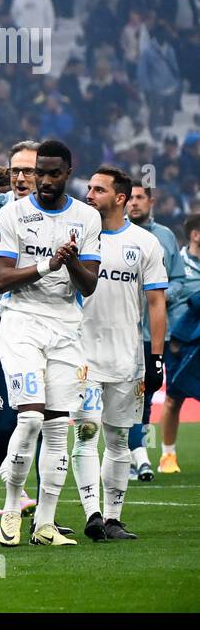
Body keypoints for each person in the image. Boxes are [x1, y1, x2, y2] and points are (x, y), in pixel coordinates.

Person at [0, 139, 101, 547]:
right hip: (22, 322)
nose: (44, 180)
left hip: (66, 328)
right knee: (31, 418)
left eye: (54, 173)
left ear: (68, 173)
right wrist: (46, 264)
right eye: (40, 172)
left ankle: (46, 526)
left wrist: (70, 260)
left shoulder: (87, 218)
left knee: (58, 430)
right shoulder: (12, 213)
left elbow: (88, 286)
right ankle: (15, 504)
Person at [74, 166, 168, 541]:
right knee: (86, 432)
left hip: (128, 358)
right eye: (89, 188)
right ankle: (92, 513)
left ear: (120, 198)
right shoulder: (77, 237)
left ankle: (112, 518)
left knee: (117, 440)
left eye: (98, 190)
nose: (89, 194)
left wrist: (157, 357)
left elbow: (157, 303)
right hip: (83, 358)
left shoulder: (145, 243)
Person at [124, 181, 184, 479]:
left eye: (139, 198)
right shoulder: (115, 234)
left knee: (145, 396)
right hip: (122, 332)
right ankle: (133, 456)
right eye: (130, 198)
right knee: (128, 395)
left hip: (153, 334)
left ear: (150, 201)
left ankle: (137, 454)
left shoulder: (165, 237)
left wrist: (159, 294)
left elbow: (178, 280)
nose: (134, 203)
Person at [160, 213, 200, 474]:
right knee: (174, 398)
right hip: (180, 341)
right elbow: (163, 297)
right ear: (195, 234)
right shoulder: (178, 263)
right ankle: (168, 456)